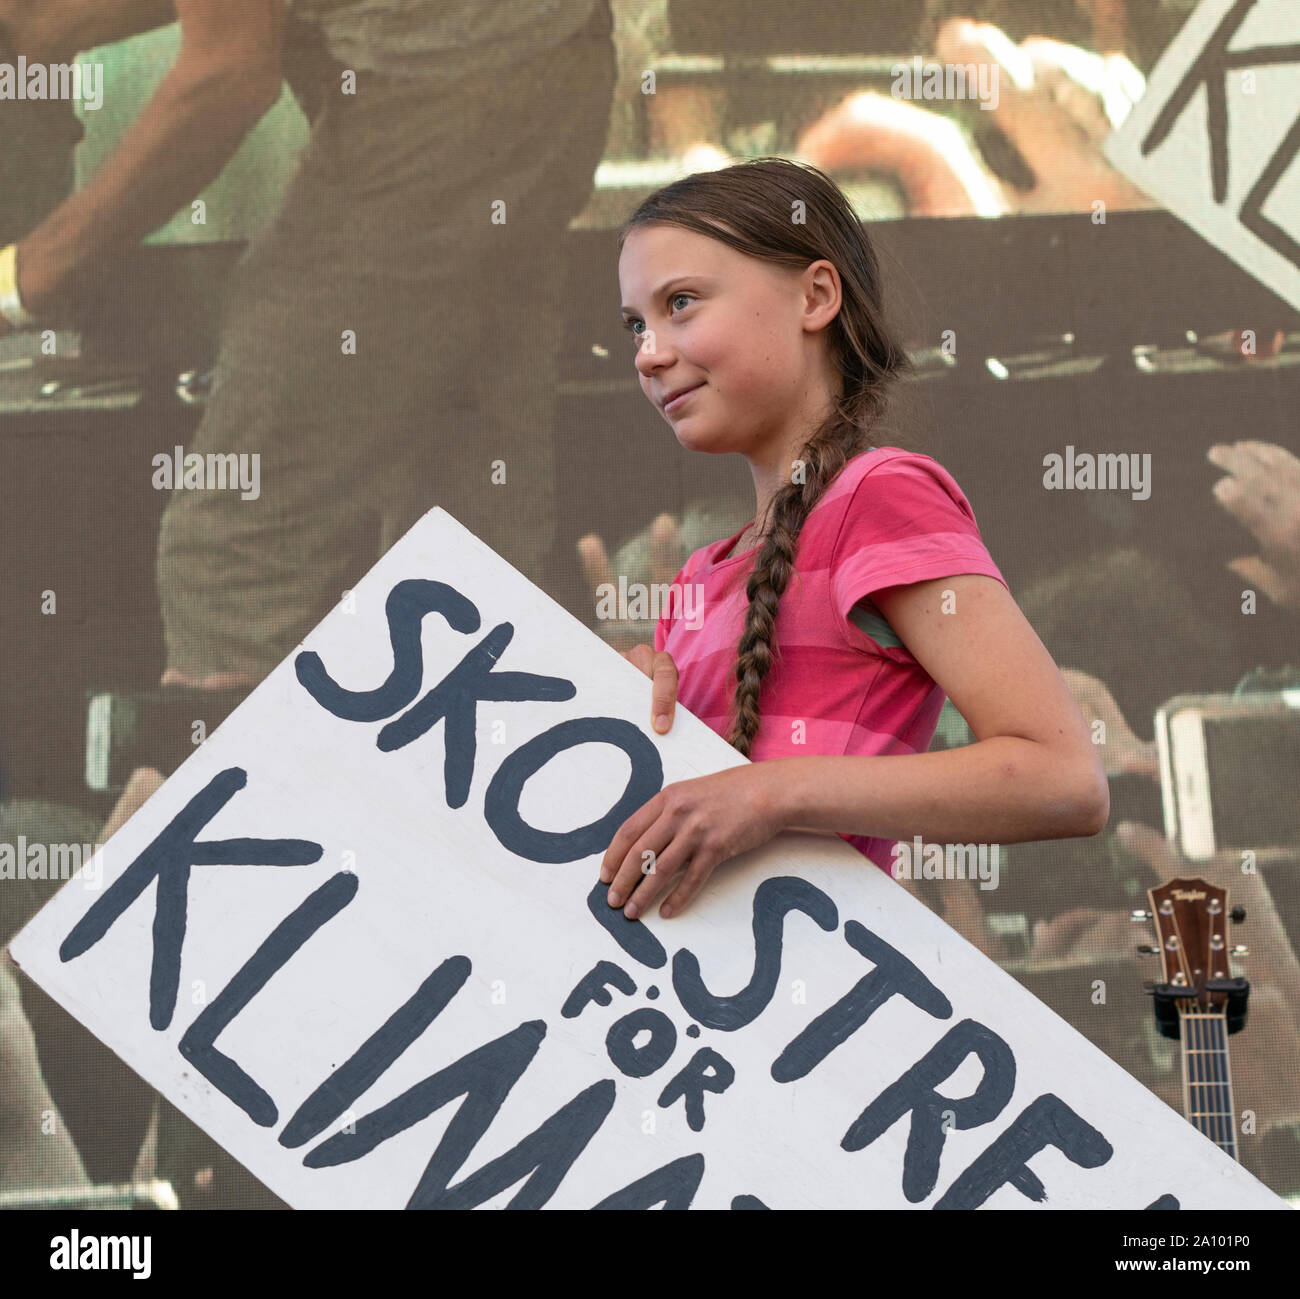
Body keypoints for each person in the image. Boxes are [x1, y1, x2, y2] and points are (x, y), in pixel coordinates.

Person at [602, 156, 1109, 922]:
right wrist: (622, 713)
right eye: (636, 325)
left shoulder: (880, 496)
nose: (649, 352)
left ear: (815, 296)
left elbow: (1063, 777)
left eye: (681, 303)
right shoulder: (698, 576)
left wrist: (769, 793)